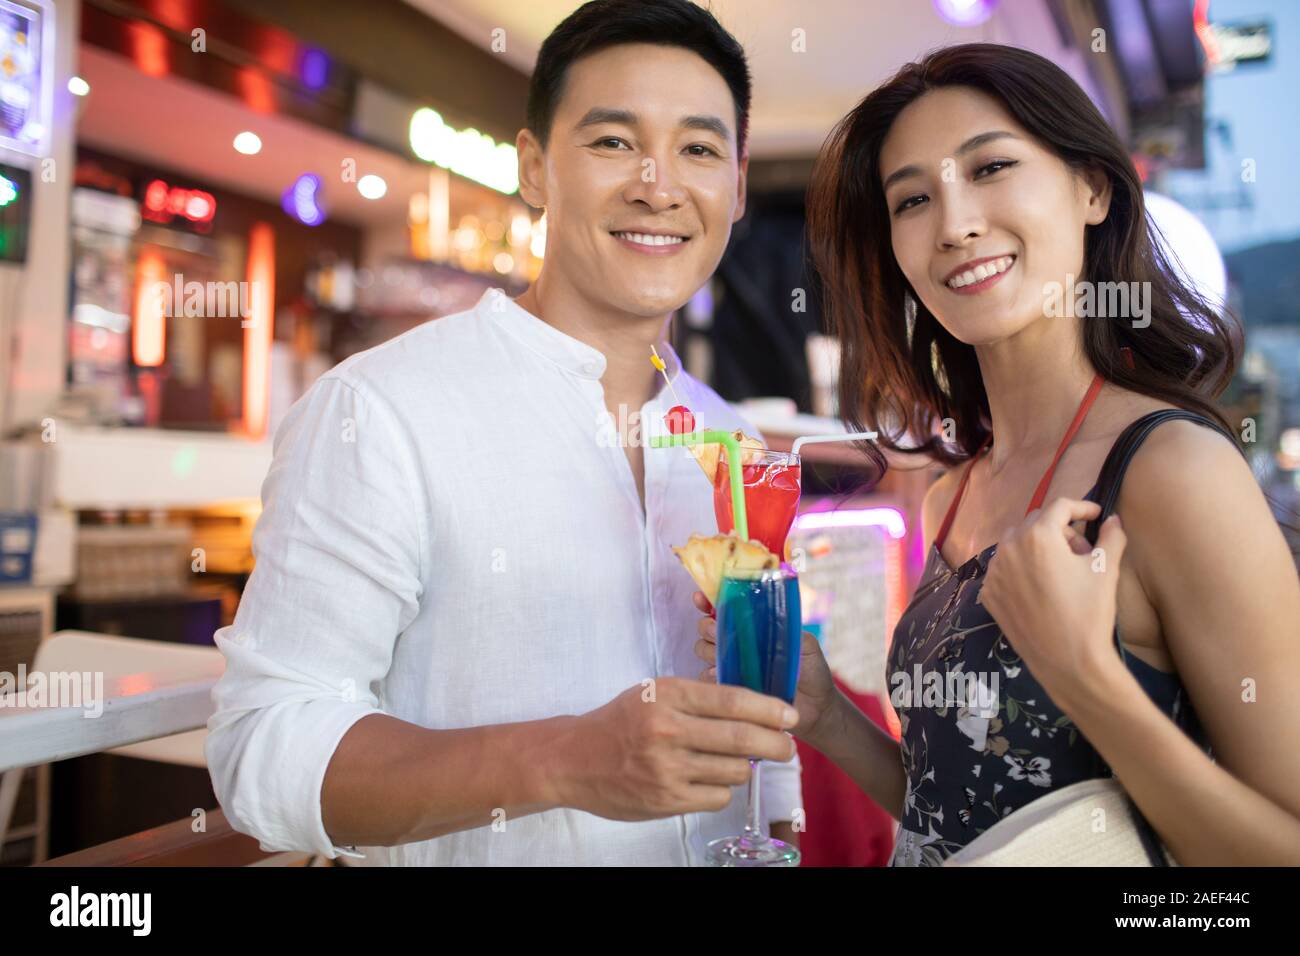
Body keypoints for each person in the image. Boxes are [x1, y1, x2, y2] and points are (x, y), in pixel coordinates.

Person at [206, 0, 801, 866]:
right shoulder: (380, 412)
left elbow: (761, 740)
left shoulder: (731, 439)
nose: (658, 185)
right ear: (534, 168)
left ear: (737, 189)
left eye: (699, 151)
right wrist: (564, 759)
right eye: (613, 141)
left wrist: (777, 820)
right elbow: (264, 746)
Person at [697, 42, 1300, 865]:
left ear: (1093, 188)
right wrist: (829, 715)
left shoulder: (1171, 472)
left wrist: (1085, 676)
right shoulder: (950, 497)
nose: (955, 225)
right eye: (913, 199)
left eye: (991, 168)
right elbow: (964, 815)